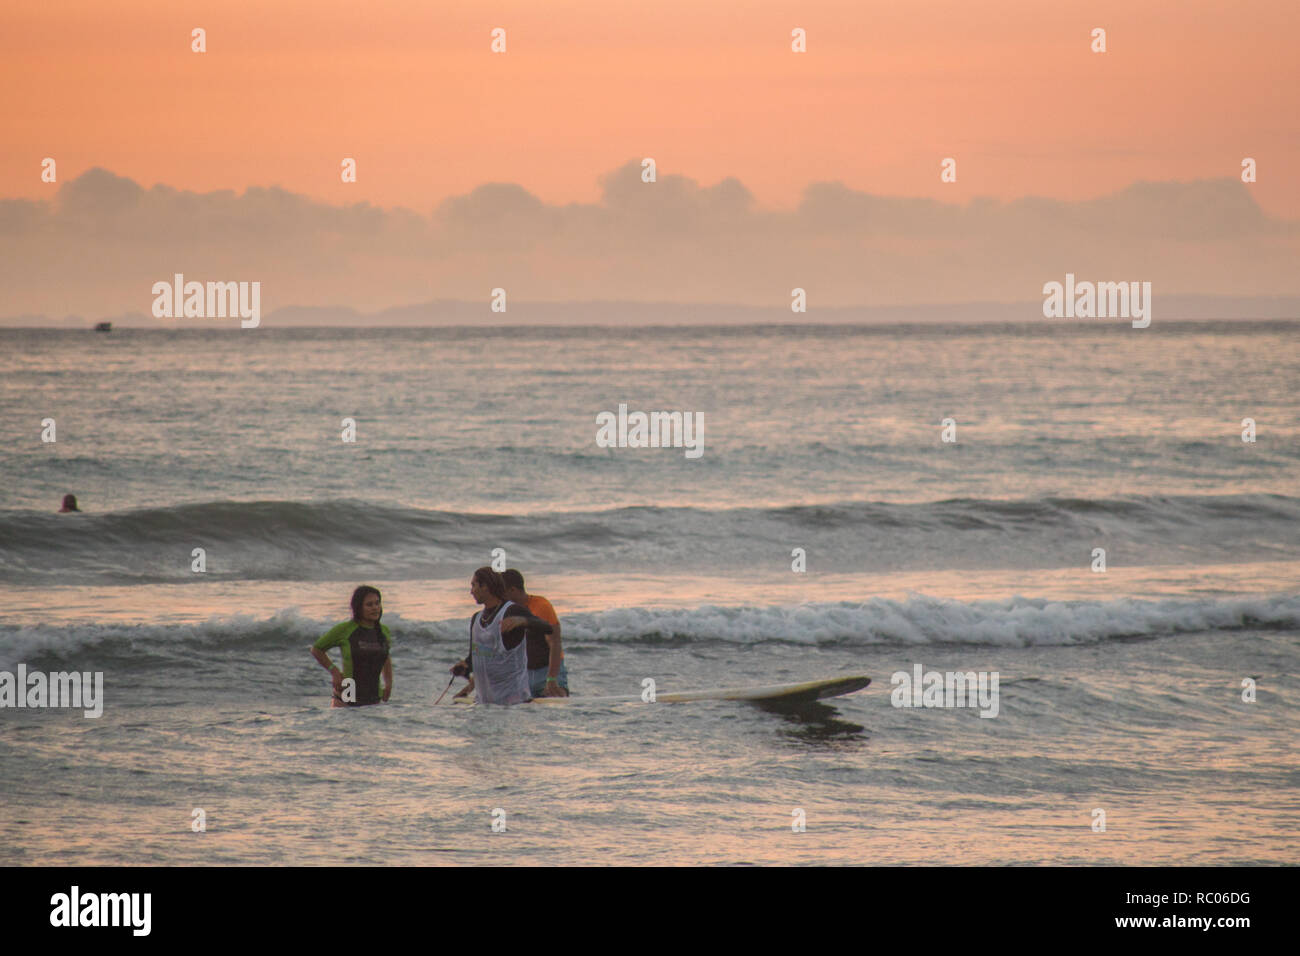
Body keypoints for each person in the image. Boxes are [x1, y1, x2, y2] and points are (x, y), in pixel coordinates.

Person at [450, 567, 553, 705]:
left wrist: (523, 621)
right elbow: (475, 656)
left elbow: (547, 627)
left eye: (474, 585)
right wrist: (465, 667)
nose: (471, 591)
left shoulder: (511, 610)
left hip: (514, 704)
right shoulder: (476, 618)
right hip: (484, 704)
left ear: (485, 586)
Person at [310, 585, 393, 707]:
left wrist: (388, 685)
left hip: (373, 700)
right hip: (346, 698)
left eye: (377, 603)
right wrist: (335, 671)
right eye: (369, 605)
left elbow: (386, 658)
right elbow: (317, 649)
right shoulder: (345, 629)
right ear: (359, 608)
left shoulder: (384, 631)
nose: (375, 608)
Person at [502, 568, 569, 697]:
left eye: (502, 593)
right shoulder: (506, 611)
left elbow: (555, 643)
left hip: (547, 670)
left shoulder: (541, 606)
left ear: (512, 590)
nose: (499, 597)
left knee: (557, 701)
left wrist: (551, 679)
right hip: (524, 673)